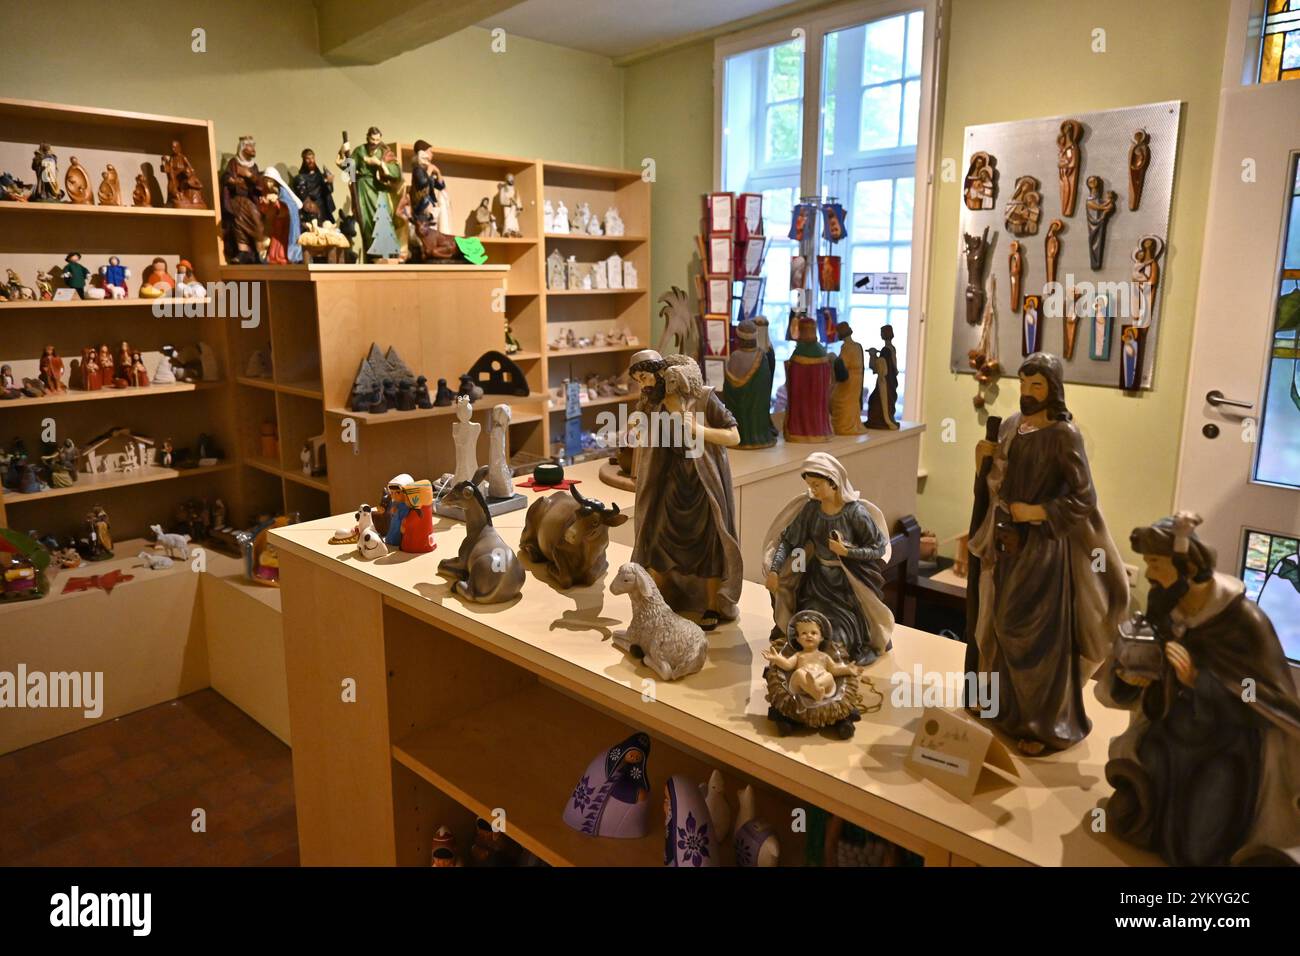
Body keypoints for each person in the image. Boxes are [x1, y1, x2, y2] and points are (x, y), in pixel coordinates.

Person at [1101, 513, 1300, 865]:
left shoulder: (1244, 623)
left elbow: (1260, 697)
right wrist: (1138, 677)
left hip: (1226, 749)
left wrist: (1200, 681)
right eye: (1148, 563)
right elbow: (1155, 663)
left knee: (1196, 852)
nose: (1149, 574)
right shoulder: (1167, 606)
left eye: (1157, 563)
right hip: (1171, 737)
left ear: (1188, 568)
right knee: (1137, 812)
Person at [966, 352, 1129, 754]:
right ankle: (1005, 711)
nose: (1027, 392)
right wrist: (983, 466)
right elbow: (997, 483)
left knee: (1032, 633)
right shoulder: (1013, 428)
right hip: (1009, 544)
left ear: (1052, 389)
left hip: (1044, 550)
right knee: (1002, 626)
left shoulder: (1063, 435)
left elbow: (1083, 498)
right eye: (1023, 384)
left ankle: (1044, 725)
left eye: (1036, 385)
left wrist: (1039, 512)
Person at [629, 351, 742, 630]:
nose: (642, 385)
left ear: (660, 374)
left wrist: (697, 429)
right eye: (637, 380)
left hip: (702, 483)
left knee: (709, 542)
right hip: (671, 481)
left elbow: (734, 436)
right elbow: (641, 431)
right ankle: (657, 599)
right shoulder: (652, 404)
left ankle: (712, 605)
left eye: (643, 377)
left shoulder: (703, 399)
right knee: (659, 539)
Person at [763, 452, 894, 665]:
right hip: (816, 585)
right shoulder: (811, 509)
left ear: (833, 482)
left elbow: (878, 548)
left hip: (846, 591)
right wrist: (775, 570)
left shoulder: (855, 513)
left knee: (837, 640)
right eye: (810, 485)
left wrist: (848, 552)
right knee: (808, 632)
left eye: (816, 485)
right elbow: (788, 541)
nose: (812, 490)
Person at [221, 136, 263, 263]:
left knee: (249, 218)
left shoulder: (253, 166)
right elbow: (226, 178)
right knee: (241, 217)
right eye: (251, 146)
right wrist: (233, 181)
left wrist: (248, 175)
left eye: (254, 146)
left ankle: (256, 250)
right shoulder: (234, 163)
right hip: (236, 199)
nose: (253, 149)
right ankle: (246, 250)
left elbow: (259, 183)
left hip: (249, 199)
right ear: (243, 148)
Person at [291, 148, 336, 224]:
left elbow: (328, 191)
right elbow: (303, 196)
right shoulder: (300, 178)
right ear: (304, 160)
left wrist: (329, 183)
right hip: (311, 209)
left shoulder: (320, 175)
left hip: (323, 207)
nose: (311, 161)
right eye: (308, 159)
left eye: (312, 158)